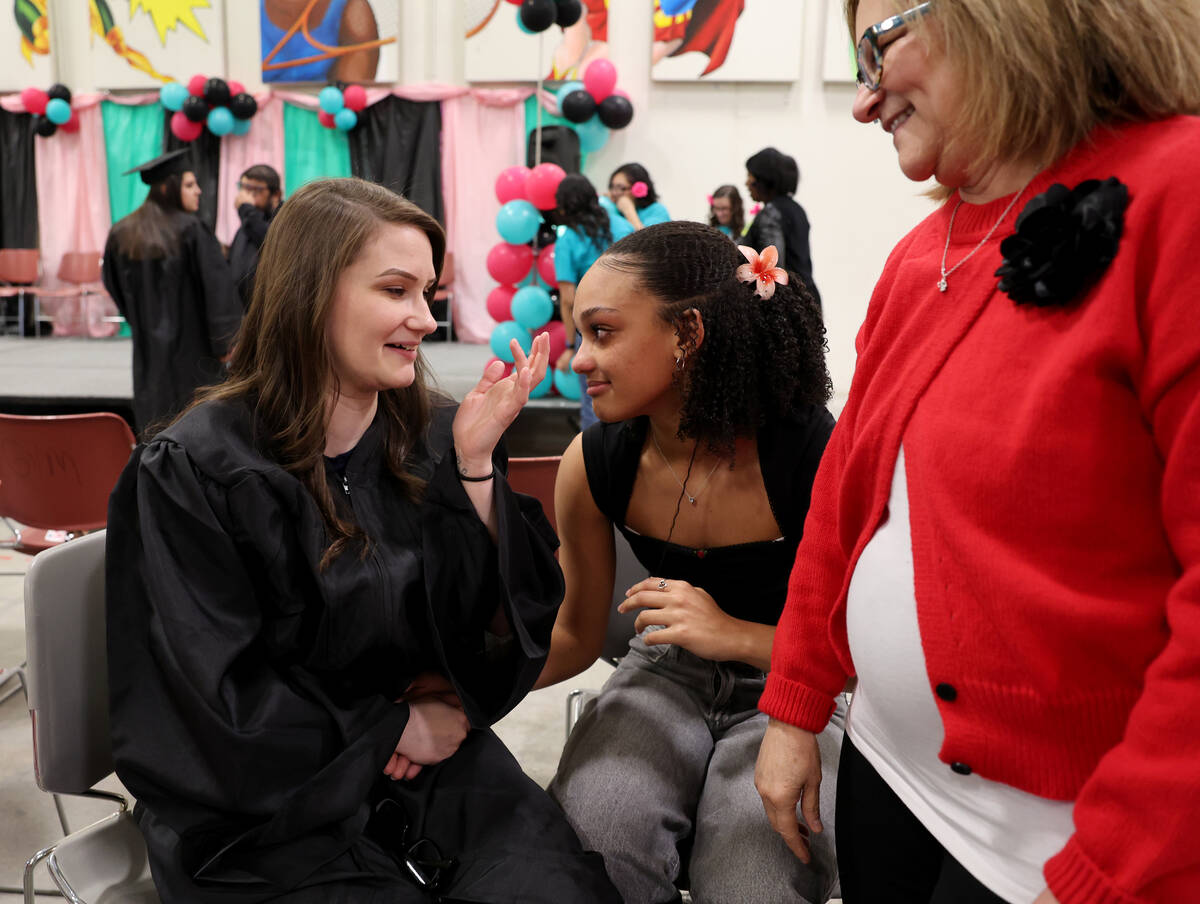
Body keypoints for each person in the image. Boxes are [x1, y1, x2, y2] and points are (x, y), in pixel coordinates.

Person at [755, 2, 1200, 903]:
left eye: (879, 46)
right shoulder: (923, 254)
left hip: (1062, 834)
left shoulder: (1178, 194)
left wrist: (1116, 863)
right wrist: (796, 705)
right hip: (887, 770)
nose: (863, 99)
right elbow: (846, 502)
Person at [105, 178, 620, 903]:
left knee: (558, 891)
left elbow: (500, 631)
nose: (423, 317)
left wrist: (473, 470)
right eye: (395, 290)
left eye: (428, 293)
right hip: (261, 809)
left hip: (430, 771)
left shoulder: (436, 440)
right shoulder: (195, 471)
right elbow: (206, 696)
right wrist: (386, 730)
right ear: (311, 294)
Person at [541, 221, 843, 903]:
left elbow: (865, 650)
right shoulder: (591, 465)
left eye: (604, 333)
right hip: (663, 677)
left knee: (754, 882)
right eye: (578, 335)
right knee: (593, 854)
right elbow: (575, 636)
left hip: (794, 686)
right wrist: (456, 684)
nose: (577, 361)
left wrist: (732, 634)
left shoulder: (811, 454)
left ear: (689, 334)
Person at [102, 148, 242, 433]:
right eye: (190, 185)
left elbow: (113, 284)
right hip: (196, 352)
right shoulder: (192, 230)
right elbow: (217, 290)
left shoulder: (122, 232)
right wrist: (226, 344)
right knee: (198, 426)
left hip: (150, 352)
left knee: (156, 424)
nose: (199, 191)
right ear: (169, 187)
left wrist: (142, 321)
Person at [553, 173, 635, 430]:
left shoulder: (568, 240)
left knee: (594, 399)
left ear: (565, 206)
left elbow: (568, 300)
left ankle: (593, 462)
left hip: (592, 329)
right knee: (632, 393)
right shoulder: (622, 227)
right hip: (632, 323)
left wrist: (569, 345)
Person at [742, 147, 821, 310]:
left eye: (750, 176)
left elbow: (772, 271)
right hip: (807, 299)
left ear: (763, 180)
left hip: (787, 306)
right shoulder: (797, 209)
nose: (747, 183)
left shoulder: (771, 214)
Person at [228, 164, 283, 309]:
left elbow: (271, 243)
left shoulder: (284, 219)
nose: (247, 195)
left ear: (276, 194)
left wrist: (247, 210)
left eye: (255, 190)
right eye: (244, 188)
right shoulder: (249, 222)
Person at [603, 162, 671, 232]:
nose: (614, 193)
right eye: (612, 187)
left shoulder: (657, 210)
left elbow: (647, 240)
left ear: (638, 188)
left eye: (622, 188)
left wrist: (628, 210)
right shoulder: (614, 212)